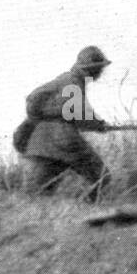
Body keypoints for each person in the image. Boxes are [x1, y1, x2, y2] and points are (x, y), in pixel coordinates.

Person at [18, 46, 113, 201]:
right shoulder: (73, 82)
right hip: (63, 140)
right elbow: (80, 114)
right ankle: (87, 208)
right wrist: (99, 125)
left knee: (37, 196)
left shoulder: (64, 79)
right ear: (92, 69)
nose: (101, 73)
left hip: (38, 143)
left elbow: (63, 110)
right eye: (99, 69)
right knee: (102, 176)